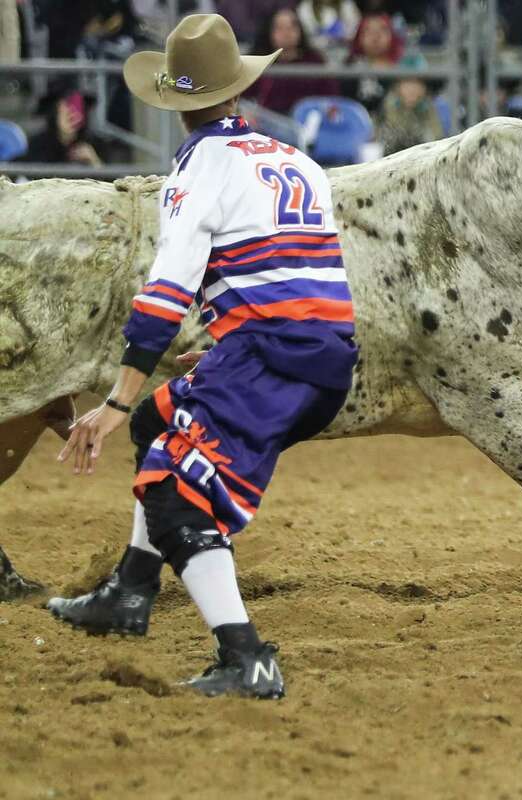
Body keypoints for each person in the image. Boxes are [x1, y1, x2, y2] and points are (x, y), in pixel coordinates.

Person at [46, 13, 358, 699]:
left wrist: (115, 397)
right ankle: (132, 590)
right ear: (237, 93)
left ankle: (248, 658)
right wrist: (229, 352)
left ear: (174, 104)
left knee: (173, 496)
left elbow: (164, 296)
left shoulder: (197, 168)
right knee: (158, 423)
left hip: (274, 362)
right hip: (324, 355)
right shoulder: (296, 160)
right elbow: (307, 278)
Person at [245, 7, 340, 115]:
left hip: (308, 123)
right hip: (267, 125)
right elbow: (243, 99)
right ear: (269, 31)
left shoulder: (315, 60)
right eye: (280, 28)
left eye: (292, 27)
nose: (286, 33)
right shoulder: (259, 60)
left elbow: (331, 96)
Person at [20, 82, 106, 166]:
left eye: (77, 108)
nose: (73, 114)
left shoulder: (96, 144)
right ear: (54, 113)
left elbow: (110, 178)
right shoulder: (38, 145)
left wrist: (94, 161)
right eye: (67, 112)